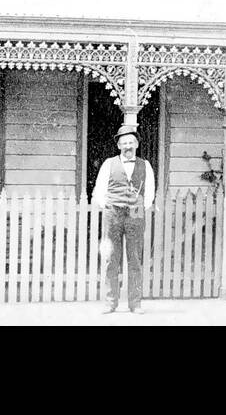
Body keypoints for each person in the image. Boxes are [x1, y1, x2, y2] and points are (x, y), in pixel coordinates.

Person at [91, 123, 155, 314]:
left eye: (131, 142)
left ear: (136, 144)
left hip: (135, 216)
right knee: (112, 258)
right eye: (124, 143)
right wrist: (110, 206)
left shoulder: (146, 165)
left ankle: (135, 304)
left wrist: (139, 207)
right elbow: (99, 189)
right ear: (118, 146)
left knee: (135, 259)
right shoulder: (109, 164)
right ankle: (111, 302)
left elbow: (150, 190)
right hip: (113, 215)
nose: (128, 146)